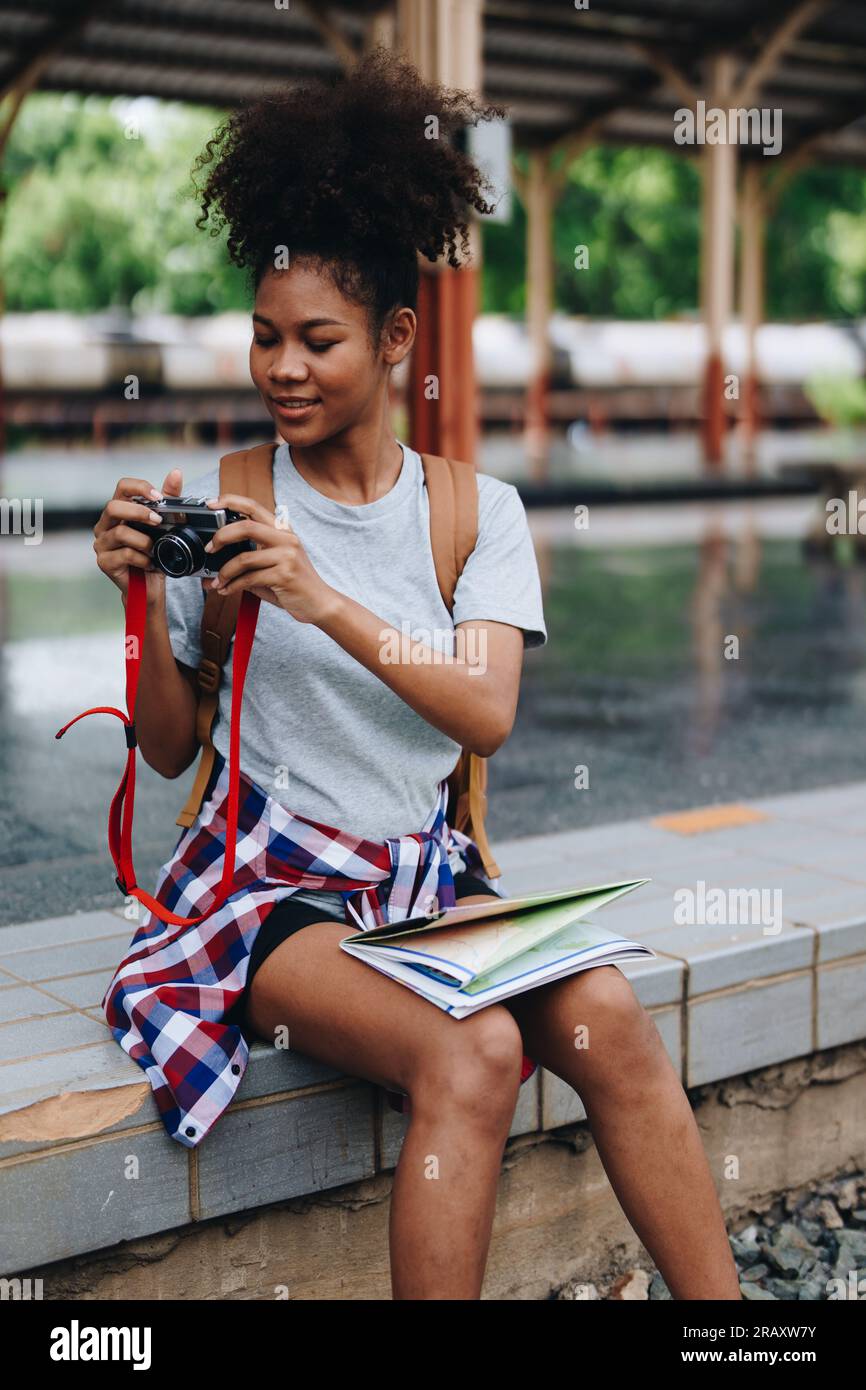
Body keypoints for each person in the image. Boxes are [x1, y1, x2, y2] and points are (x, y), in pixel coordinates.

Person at [92, 47, 741, 1301]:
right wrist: (133, 594)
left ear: (395, 338)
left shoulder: (470, 513)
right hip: (270, 891)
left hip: (424, 879)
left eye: (317, 341)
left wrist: (317, 598)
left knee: (606, 1014)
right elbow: (169, 751)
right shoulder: (225, 501)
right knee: (474, 1054)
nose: (283, 368)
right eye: (264, 339)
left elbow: (482, 711)